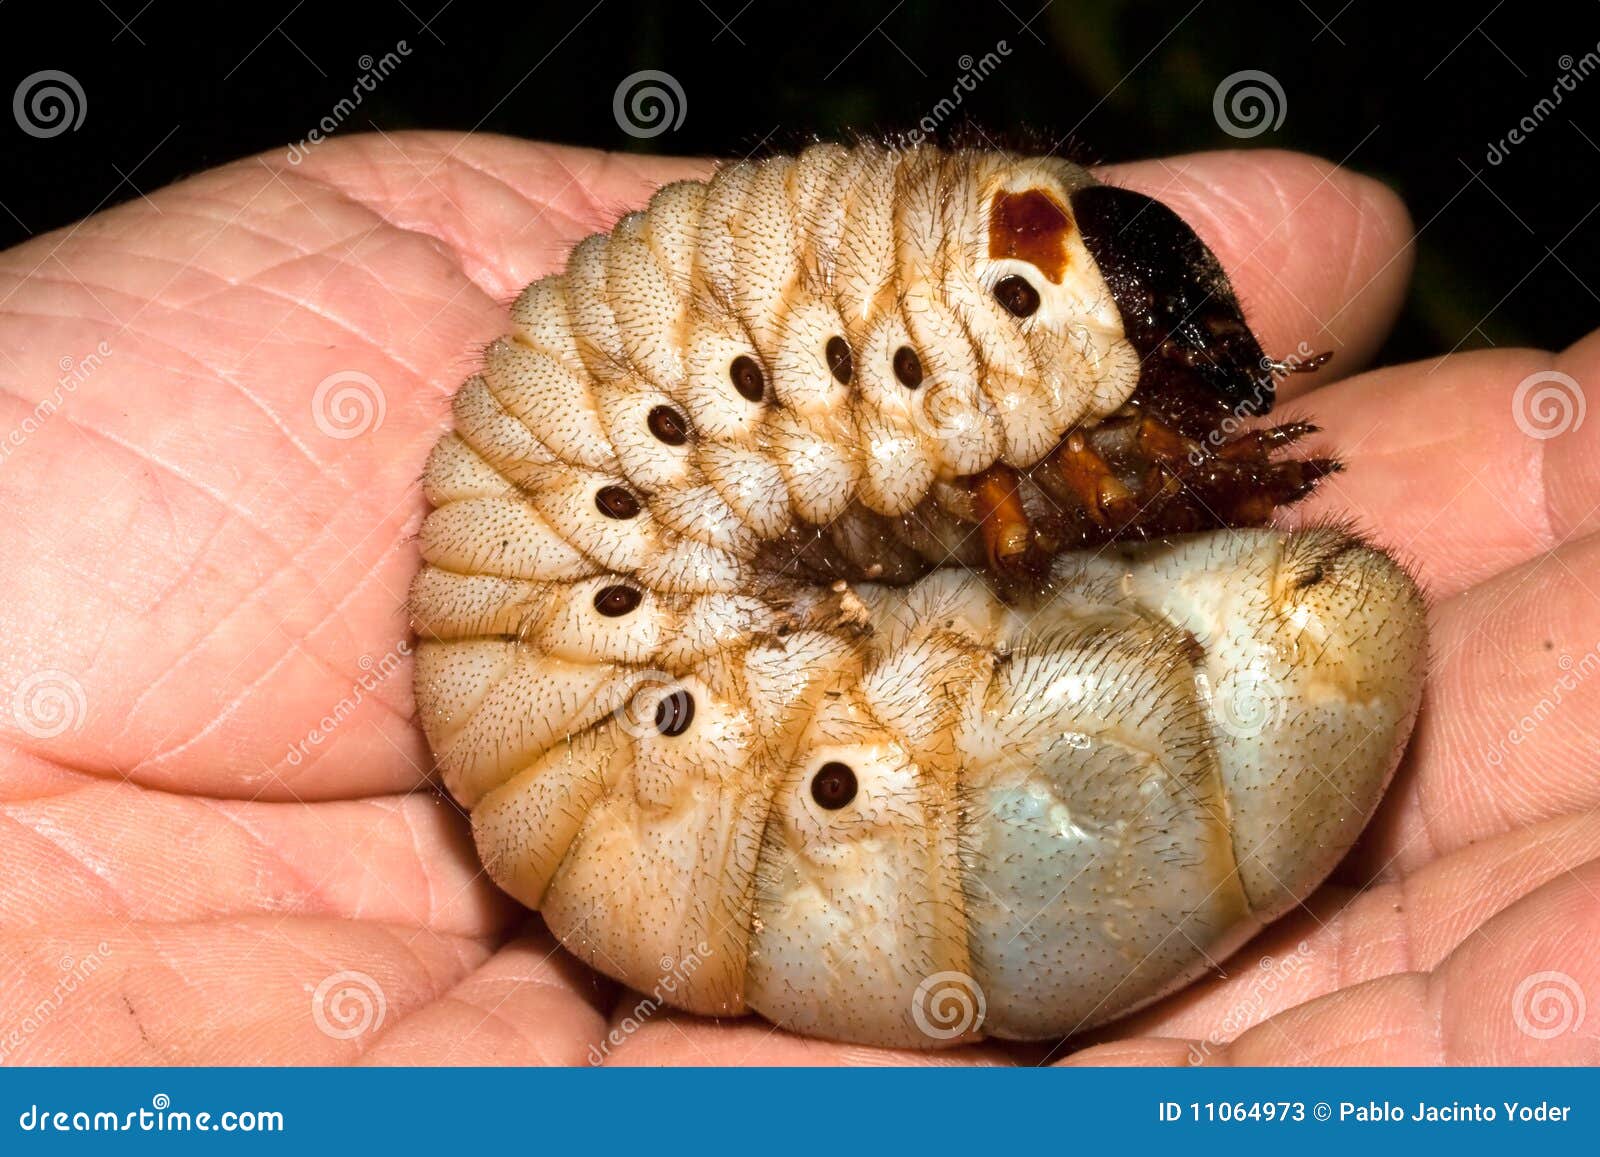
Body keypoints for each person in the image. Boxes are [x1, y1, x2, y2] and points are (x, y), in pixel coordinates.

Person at [0, 133, 1594, 1065]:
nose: (1113, 472)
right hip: (683, 804)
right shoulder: (681, 522)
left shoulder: (770, 398)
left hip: (732, 770)